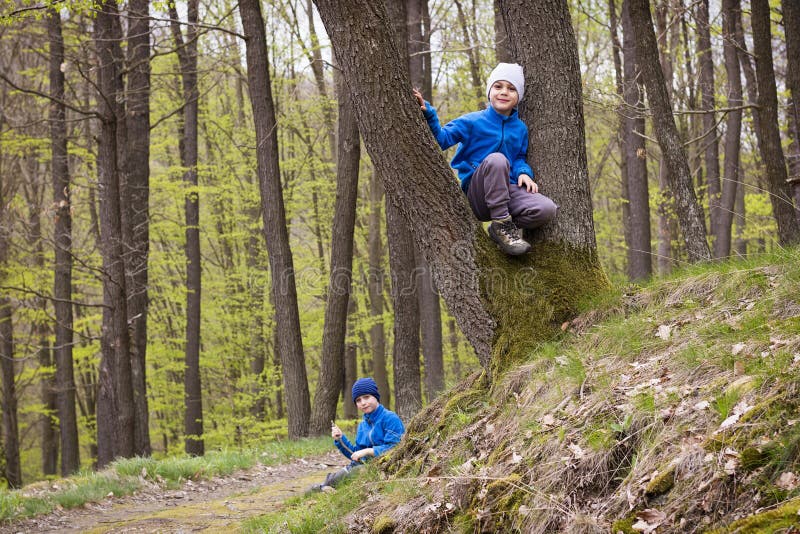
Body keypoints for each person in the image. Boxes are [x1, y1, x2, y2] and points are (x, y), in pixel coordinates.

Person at [413, 62, 558, 255]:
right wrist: (429, 115)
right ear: (490, 91)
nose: (504, 92)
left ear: (519, 96)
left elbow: (518, 157)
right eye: (498, 86)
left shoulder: (520, 129)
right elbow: (441, 140)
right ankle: (502, 223)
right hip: (477, 194)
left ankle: (500, 229)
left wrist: (523, 172)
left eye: (511, 88)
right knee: (497, 160)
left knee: (546, 209)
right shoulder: (472, 121)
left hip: (506, 192)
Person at [309, 377, 405, 492]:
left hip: (383, 467)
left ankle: (329, 488)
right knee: (330, 481)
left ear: (376, 396)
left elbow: (394, 448)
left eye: (366, 397)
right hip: (359, 466)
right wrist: (340, 439)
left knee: (357, 471)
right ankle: (325, 488)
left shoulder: (390, 418)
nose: (363, 403)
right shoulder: (362, 426)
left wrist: (368, 451)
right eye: (358, 400)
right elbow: (355, 454)